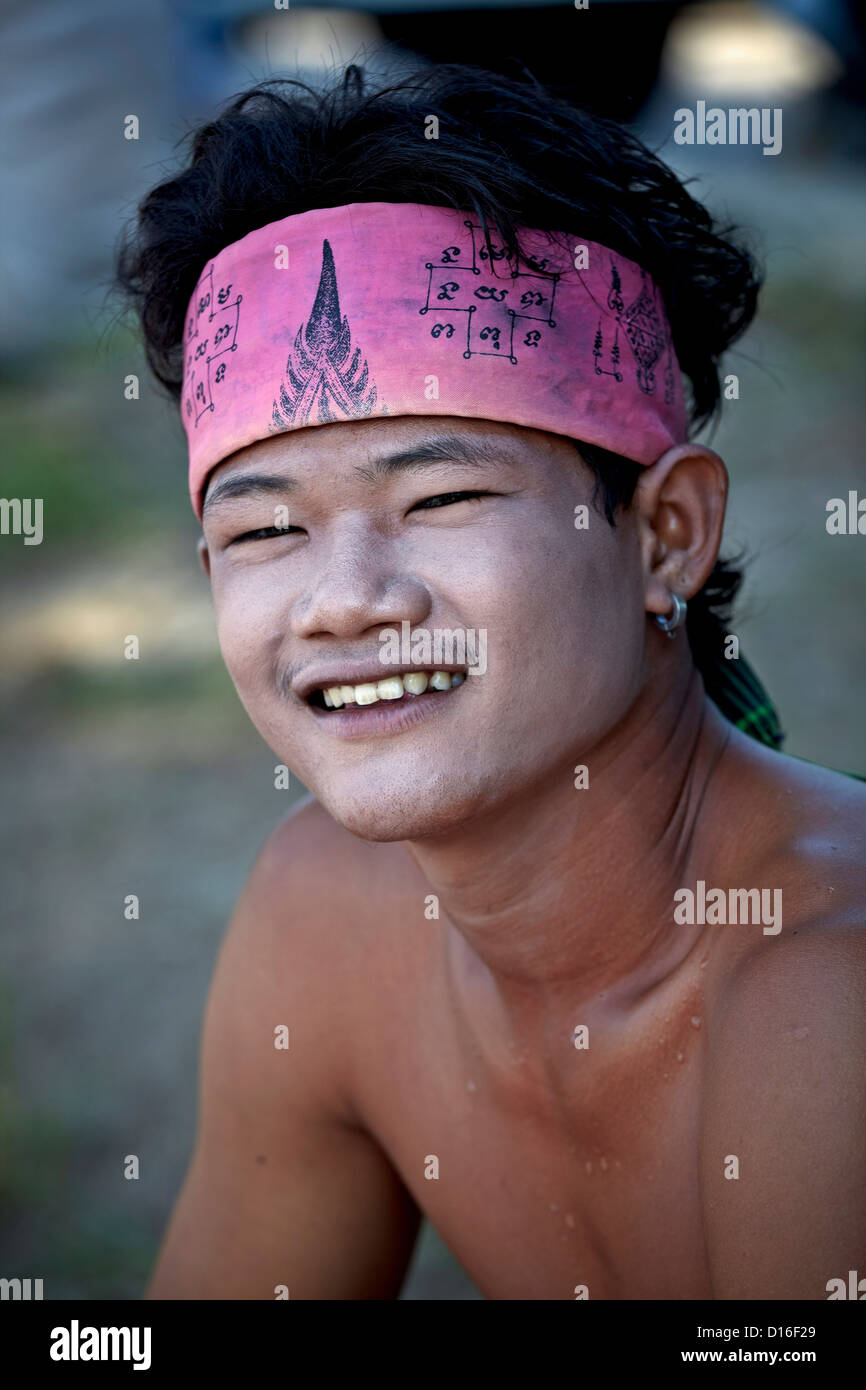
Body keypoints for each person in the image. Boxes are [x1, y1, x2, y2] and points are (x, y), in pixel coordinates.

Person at [115, 64, 865, 1300]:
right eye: (265, 532)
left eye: (442, 498)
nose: (344, 596)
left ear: (662, 532)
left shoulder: (823, 1004)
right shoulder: (327, 916)